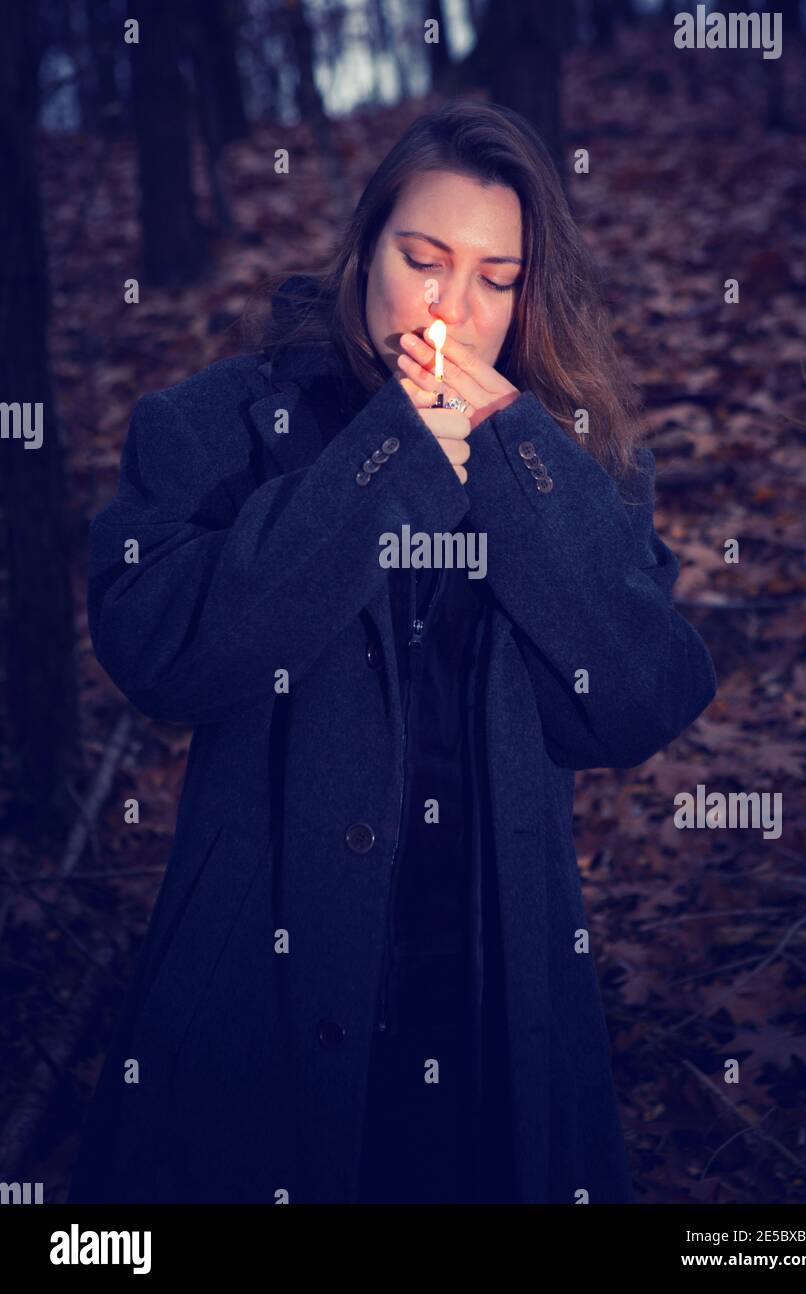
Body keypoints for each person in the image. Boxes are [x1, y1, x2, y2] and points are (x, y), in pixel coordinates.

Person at [68, 99, 717, 1205]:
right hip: (262, 994)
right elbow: (162, 654)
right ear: (364, 250)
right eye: (423, 261)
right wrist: (383, 463)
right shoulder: (218, 425)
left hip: (492, 998)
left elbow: (639, 698)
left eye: (496, 279)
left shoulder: (572, 457)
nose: (453, 309)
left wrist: (514, 462)